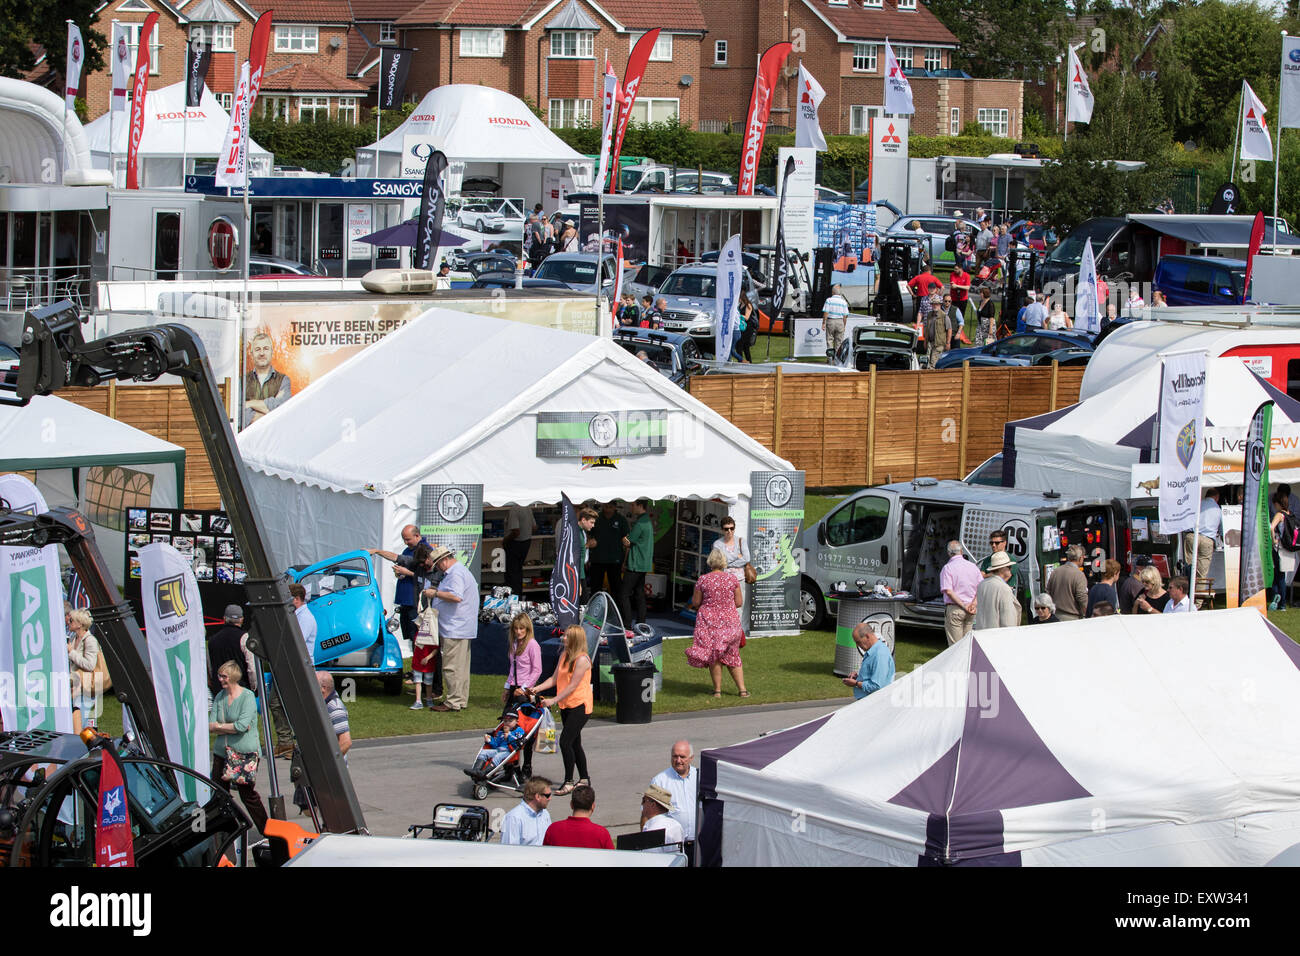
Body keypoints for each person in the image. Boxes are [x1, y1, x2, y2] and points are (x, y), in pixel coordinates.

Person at [529, 625, 592, 795]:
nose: (563, 638)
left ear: (576, 640)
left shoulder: (582, 660)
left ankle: (569, 781)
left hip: (580, 706)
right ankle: (585, 778)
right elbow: (554, 679)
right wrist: (537, 689)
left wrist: (553, 700)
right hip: (567, 705)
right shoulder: (565, 655)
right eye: (564, 636)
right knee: (575, 743)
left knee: (565, 742)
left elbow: (572, 686)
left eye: (567, 636)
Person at [209, 661, 269, 834]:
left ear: (233, 677)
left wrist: (222, 726)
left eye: (224, 676)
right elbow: (211, 725)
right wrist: (228, 726)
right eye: (219, 676)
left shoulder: (247, 696)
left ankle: (266, 830)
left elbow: (242, 726)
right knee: (219, 794)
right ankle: (227, 831)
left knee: (246, 794)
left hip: (244, 752)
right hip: (222, 752)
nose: (220, 679)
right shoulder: (220, 696)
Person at [686, 549, 749, 699]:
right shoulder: (732, 579)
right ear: (724, 563)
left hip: (710, 624)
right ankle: (742, 690)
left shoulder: (703, 579)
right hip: (731, 624)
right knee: (733, 656)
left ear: (710, 562)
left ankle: (718, 691)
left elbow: (695, 602)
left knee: (715, 656)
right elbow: (739, 603)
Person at [424, 545, 480, 711]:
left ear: (444, 560)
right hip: (459, 626)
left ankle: (453, 701)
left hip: (455, 627)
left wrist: (434, 593)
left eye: (438, 565)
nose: (438, 569)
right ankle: (460, 699)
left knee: (452, 666)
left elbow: (456, 596)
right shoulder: (458, 571)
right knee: (461, 666)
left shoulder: (455, 573)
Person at [292, 670, 354, 815]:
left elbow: (345, 742)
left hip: (327, 769)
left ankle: (330, 833)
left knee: (330, 811)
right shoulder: (319, 704)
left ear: (323, 688)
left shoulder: (335, 708)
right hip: (313, 766)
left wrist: (326, 763)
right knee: (308, 809)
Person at [368, 526, 429, 659]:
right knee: (411, 636)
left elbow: (426, 578)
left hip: (416, 602)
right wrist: (400, 573)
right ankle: (415, 669)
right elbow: (405, 566)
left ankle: (420, 671)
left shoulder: (424, 550)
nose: (406, 542)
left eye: (408, 539)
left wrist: (407, 572)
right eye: (404, 539)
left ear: (417, 536)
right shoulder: (409, 549)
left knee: (418, 636)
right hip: (406, 600)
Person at [650, 740, 698, 851]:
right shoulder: (660, 781)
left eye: (682, 757)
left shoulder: (700, 777)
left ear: (691, 758)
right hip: (672, 846)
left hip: (698, 845)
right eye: (675, 756)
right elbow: (649, 815)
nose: (678, 760)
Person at [207, 604, 257, 705]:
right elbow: (252, 667)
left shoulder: (212, 640)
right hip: (241, 691)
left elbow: (210, 668)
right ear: (241, 619)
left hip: (220, 693)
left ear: (224, 619)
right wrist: (254, 687)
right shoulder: (244, 638)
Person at [242, 330, 291, 428]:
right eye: (257, 349)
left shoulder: (283, 380)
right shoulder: (241, 382)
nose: (262, 353)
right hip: (248, 440)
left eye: (266, 349)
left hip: (275, 438)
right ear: (251, 354)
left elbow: (282, 409)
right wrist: (269, 413)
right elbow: (237, 411)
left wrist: (249, 403)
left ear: (272, 352)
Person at [541, 784, 613, 849]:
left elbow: (545, 857)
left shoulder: (553, 829)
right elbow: (612, 860)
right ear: (593, 806)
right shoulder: (602, 833)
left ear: (571, 804)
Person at [620, 498, 653, 629]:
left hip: (635, 564)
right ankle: (641, 623)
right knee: (639, 594)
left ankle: (627, 624)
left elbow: (627, 541)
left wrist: (624, 538)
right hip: (643, 564)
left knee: (624, 594)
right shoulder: (647, 521)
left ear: (640, 506)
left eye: (633, 505)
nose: (631, 507)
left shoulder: (640, 523)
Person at [940, 540, 981, 645]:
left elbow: (949, 591)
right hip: (971, 609)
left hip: (956, 608)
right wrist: (973, 604)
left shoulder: (947, 568)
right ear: (961, 551)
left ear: (949, 553)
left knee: (956, 646)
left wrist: (964, 606)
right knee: (968, 644)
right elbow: (980, 587)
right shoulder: (973, 567)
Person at [66, 609, 100, 733]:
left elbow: (90, 665)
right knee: (74, 724)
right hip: (74, 686)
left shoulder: (90, 640)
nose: (68, 622)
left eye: (71, 620)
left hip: (86, 687)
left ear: (80, 624)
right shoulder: (73, 638)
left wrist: (71, 652)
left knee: (84, 725)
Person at [842, 621, 894, 699]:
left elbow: (877, 686)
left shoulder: (879, 655)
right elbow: (872, 676)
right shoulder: (873, 651)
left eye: (858, 642)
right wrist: (859, 677)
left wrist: (856, 683)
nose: (857, 645)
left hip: (874, 704)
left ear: (867, 636)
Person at [588, 501, 628, 600]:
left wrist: (625, 562)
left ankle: (616, 611)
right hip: (597, 559)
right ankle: (595, 612)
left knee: (616, 588)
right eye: (606, 506)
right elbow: (588, 535)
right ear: (602, 505)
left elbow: (627, 541)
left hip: (615, 560)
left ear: (615, 507)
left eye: (611, 506)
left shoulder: (621, 519)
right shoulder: (596, 518)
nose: (608, 508)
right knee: (595, 588)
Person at [500, 776, 553, 846]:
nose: (550, 798)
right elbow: (509, 850)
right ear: (538, 797)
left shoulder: (545, 814)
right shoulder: (514, 818)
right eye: (548, 795)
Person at [974, 552, 1020, 630]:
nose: (1011, 569)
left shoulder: (982, 585)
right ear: (1003, 569)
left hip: (981, 634)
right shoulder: (1004, 588)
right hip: (997, 637)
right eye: (1009, 566)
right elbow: (1008, 621)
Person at [1183, 489, 1221, 583]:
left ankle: (1187, 594)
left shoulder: (1196, 504)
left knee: (1189, 569)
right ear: (1217, 497)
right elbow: (1222, 529)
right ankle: (1199, 597)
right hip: (1207, 540)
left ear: (1206, 496)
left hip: (1192, 536)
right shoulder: (1218, 509)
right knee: (1201, 574)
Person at [1046, 545, 1089, 621]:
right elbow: (1082, 597)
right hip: (1072, 618)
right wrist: (1088, 614)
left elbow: (1048, 592)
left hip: (1055, 616)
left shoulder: (1055, 572)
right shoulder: (1079, 575)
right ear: (1080, 558)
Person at [1271, 489, 1298, 610]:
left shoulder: (1279, 514)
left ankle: (1279, 602)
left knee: (1278, 576)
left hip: (1279, 548)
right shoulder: (1290, 514)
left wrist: (1273, 540)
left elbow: (1272, 527)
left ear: (1278, 503)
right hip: (1288, 549)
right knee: (1282, 575)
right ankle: (1279, 601)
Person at [639, 784, 684, 853]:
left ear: (652, 804)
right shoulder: (676, 824)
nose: (642, 804)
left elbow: (650, 860)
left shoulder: (653, 831)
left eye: (644, 800)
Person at [504, 502, 536, 597]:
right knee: (518, 571)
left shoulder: (514, 509)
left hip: (516, 543)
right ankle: (518, 595)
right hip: (526, 542)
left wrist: (505, 540)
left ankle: (513, 596)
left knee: (512, 573)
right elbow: (534, 527)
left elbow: (516, 531)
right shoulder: (527, 507)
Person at [978, 529, 1022, 600]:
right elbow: (980, 577)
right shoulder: (987, 560)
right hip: (987, 594)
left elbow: (1003, 578)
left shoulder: (1011, 560)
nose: (993, 545)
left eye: (997, 543)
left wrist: (988, 575)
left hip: (1005, 595)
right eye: (991, 543)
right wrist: (994, 575)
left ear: (1004, 543)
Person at [711, 515, 750, 592]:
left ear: (734, 529)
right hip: (723, 580)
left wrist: (728, 564)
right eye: (726, 529)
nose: (729, 531)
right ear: (722, 530)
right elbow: (719, 562)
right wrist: (738, 556)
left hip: (739, 580)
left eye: (732, 528)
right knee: (725, 603)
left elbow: (747, 558)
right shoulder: (717, 544)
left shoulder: (741, 541)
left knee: (740, 603)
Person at [288, 583, 317, 667]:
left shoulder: (305, 618)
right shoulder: (298, 615)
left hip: (303, 667)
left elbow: (298, 641)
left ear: (296, 599)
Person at [821, 284, 850, 360]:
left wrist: (824, 322)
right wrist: (844, 325)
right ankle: (837, 359)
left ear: (832, 292)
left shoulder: (829, 300)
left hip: (830, 321)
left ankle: (830, 358)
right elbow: (845, 316)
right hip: (840, 321)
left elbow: (826, 312)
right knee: (839, 342)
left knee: (829, 340)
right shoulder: (843, 302)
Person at [923, 293, 947, 368]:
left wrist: (948, 343)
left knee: (933, 362)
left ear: (940, 305)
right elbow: (927, 328)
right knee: (927, 360)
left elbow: (949, 329)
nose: (935, 306)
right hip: (930, 342)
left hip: (938, 343)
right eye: (933, 304)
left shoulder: (944, 316)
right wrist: (925, 341)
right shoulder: (929, 314)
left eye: (937, 304)